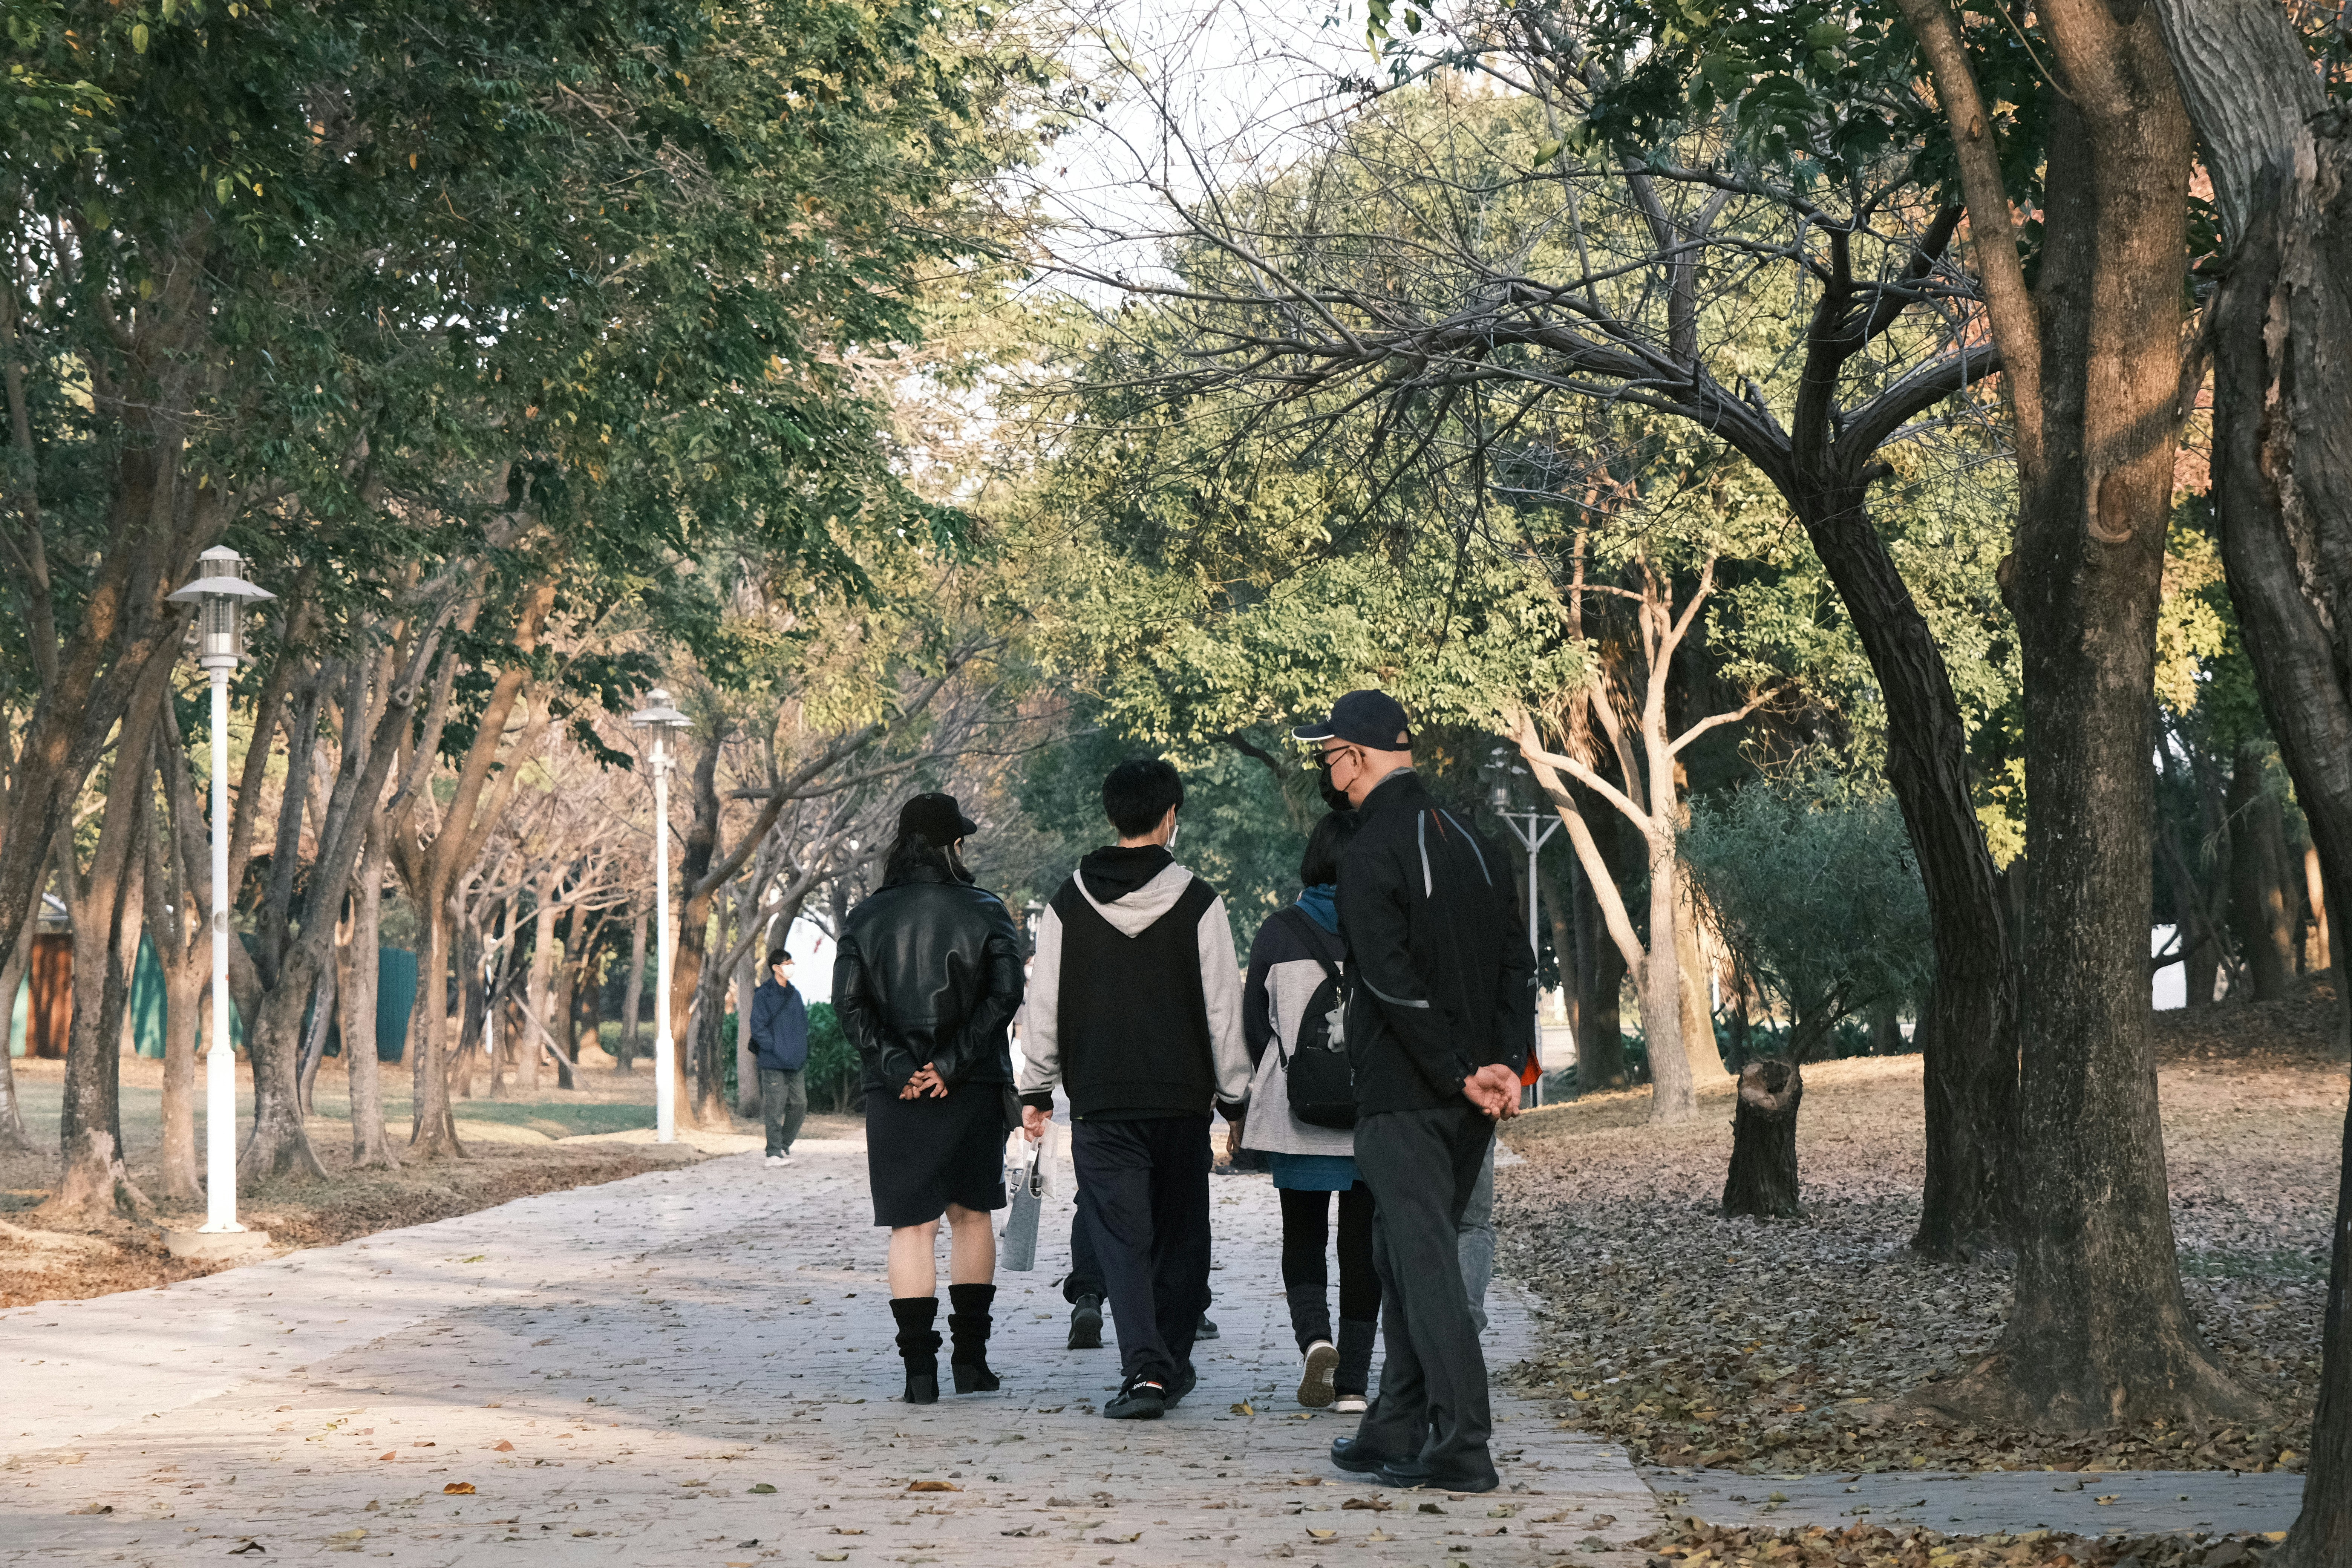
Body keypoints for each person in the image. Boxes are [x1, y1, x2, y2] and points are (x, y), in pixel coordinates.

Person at [1294, 690, 1534, 1494]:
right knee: (1397, 1255)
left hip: (1410, 1092)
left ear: (1355, 757)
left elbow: (1389, 983)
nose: (1326, 771)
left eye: (1327, 756)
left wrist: (1459, 1070)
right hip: (1468, 1093)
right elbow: (1517, 963)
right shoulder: (1477, 839)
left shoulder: (1370, 848)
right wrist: (1504, 1065)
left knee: (1423, 1265)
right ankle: (1393, 1422)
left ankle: (1464, 1442)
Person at [1017, 757, 1251, 1420]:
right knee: (1181, 1239)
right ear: (1170, 816)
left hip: (1100, 1101)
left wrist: (1034, 1089)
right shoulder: (1201, 901)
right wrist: (1235, 1098)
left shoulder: (1067, 902)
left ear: (1111, 815)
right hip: (1181, 1102)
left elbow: (1045, 1003)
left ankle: (1148, 1371)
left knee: (1122, 1241)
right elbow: (1221, 1009)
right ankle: (1165, 1366)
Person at [834, 793, 1026, 1405]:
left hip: (897, 1095)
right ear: (953, 846)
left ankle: (919, 1373)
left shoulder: (865, 918)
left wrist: (899, 1067)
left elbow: (851, 1006)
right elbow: (1004, 997)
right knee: (972, 1217)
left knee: (910, 1228)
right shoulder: (987, 911)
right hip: (969, 1087)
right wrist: (950, 1063)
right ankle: (971, 1362)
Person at [1236, 809, 1381, 1413]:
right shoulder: (1386, 925)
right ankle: (1352, 1383)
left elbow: (1253, 1028)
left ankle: (1314, 1339)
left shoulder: (1278, 932)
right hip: (1373, 1112)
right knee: (1361, 1245)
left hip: (1298, 1114)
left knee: (1303, 1233)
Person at [750, 948, 810, 1167]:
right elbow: (758, 1027)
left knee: (800, 1104)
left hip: (795, 1061)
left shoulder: (794, 994)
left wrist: (801, 1050)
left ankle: (783, 1145)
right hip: (773, 1061)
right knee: (775, 1107)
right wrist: (774, 1047)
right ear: (776, 968)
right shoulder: (764, 994)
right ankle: (773, 1154)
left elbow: (803, 1025)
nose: (791, 967)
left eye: (792, 962)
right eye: (787, 963)